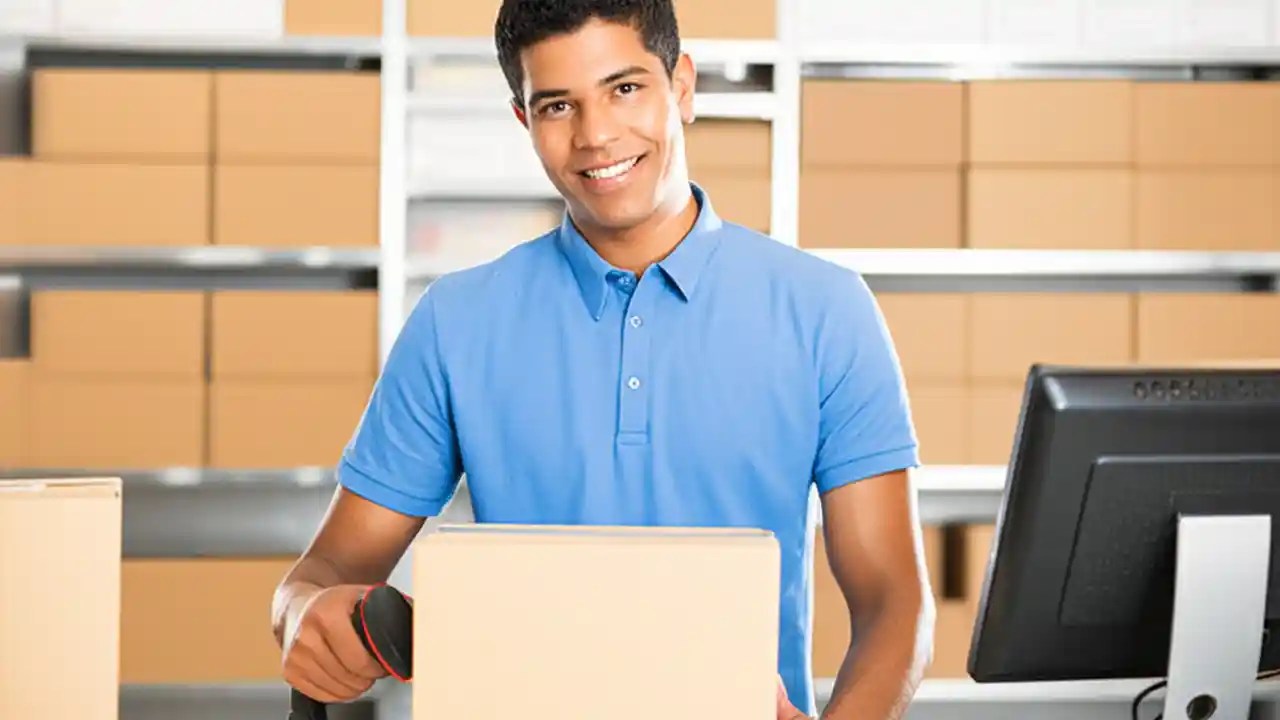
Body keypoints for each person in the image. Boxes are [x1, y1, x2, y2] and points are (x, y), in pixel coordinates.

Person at [271, 1, 936, 717]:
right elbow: (325, 571)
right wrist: (303, 614)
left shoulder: (826, 310)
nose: (595, 135)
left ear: (682, 85)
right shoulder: (456, 320)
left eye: (625, 89)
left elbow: (893, 601)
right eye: (558, 105)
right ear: (525, 121)